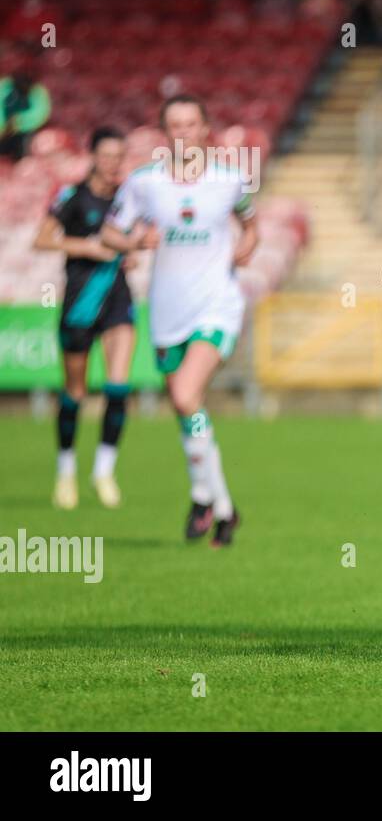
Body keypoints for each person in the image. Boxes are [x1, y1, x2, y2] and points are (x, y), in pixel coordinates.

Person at [100, 96, 259, 547]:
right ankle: (218, 504)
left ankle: (207, 500)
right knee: (185, 407)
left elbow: (250, 221)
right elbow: (111, 231)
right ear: (164, 132)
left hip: (216, 304)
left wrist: (249, 242)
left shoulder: (229, 180)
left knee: (186, 393)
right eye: (175, 125)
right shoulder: (144, 183)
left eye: (191, 123)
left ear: (206, 128)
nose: (183, 132)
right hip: (167, 310)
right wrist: (133, 242)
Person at [33, 127, 135, 510]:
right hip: (79, 301)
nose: (113, 164)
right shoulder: (72, 196)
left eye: (118, 156)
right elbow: (41, 239)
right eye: (107, 155)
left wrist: (131, 251)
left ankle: (104, 471)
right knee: (75, 392)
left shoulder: (127, 198)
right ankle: (65, 472)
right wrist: (86, 247)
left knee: (118, 384)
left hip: (117, 297)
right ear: (93, 156)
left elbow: (133, 236)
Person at [0, 64, 52, 161]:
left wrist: (18, 122)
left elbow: (40, 113)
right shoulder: (4, 87)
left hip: (24, 131)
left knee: (23, 149)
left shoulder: (38, 92)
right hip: (4, 129)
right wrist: (3, 125)